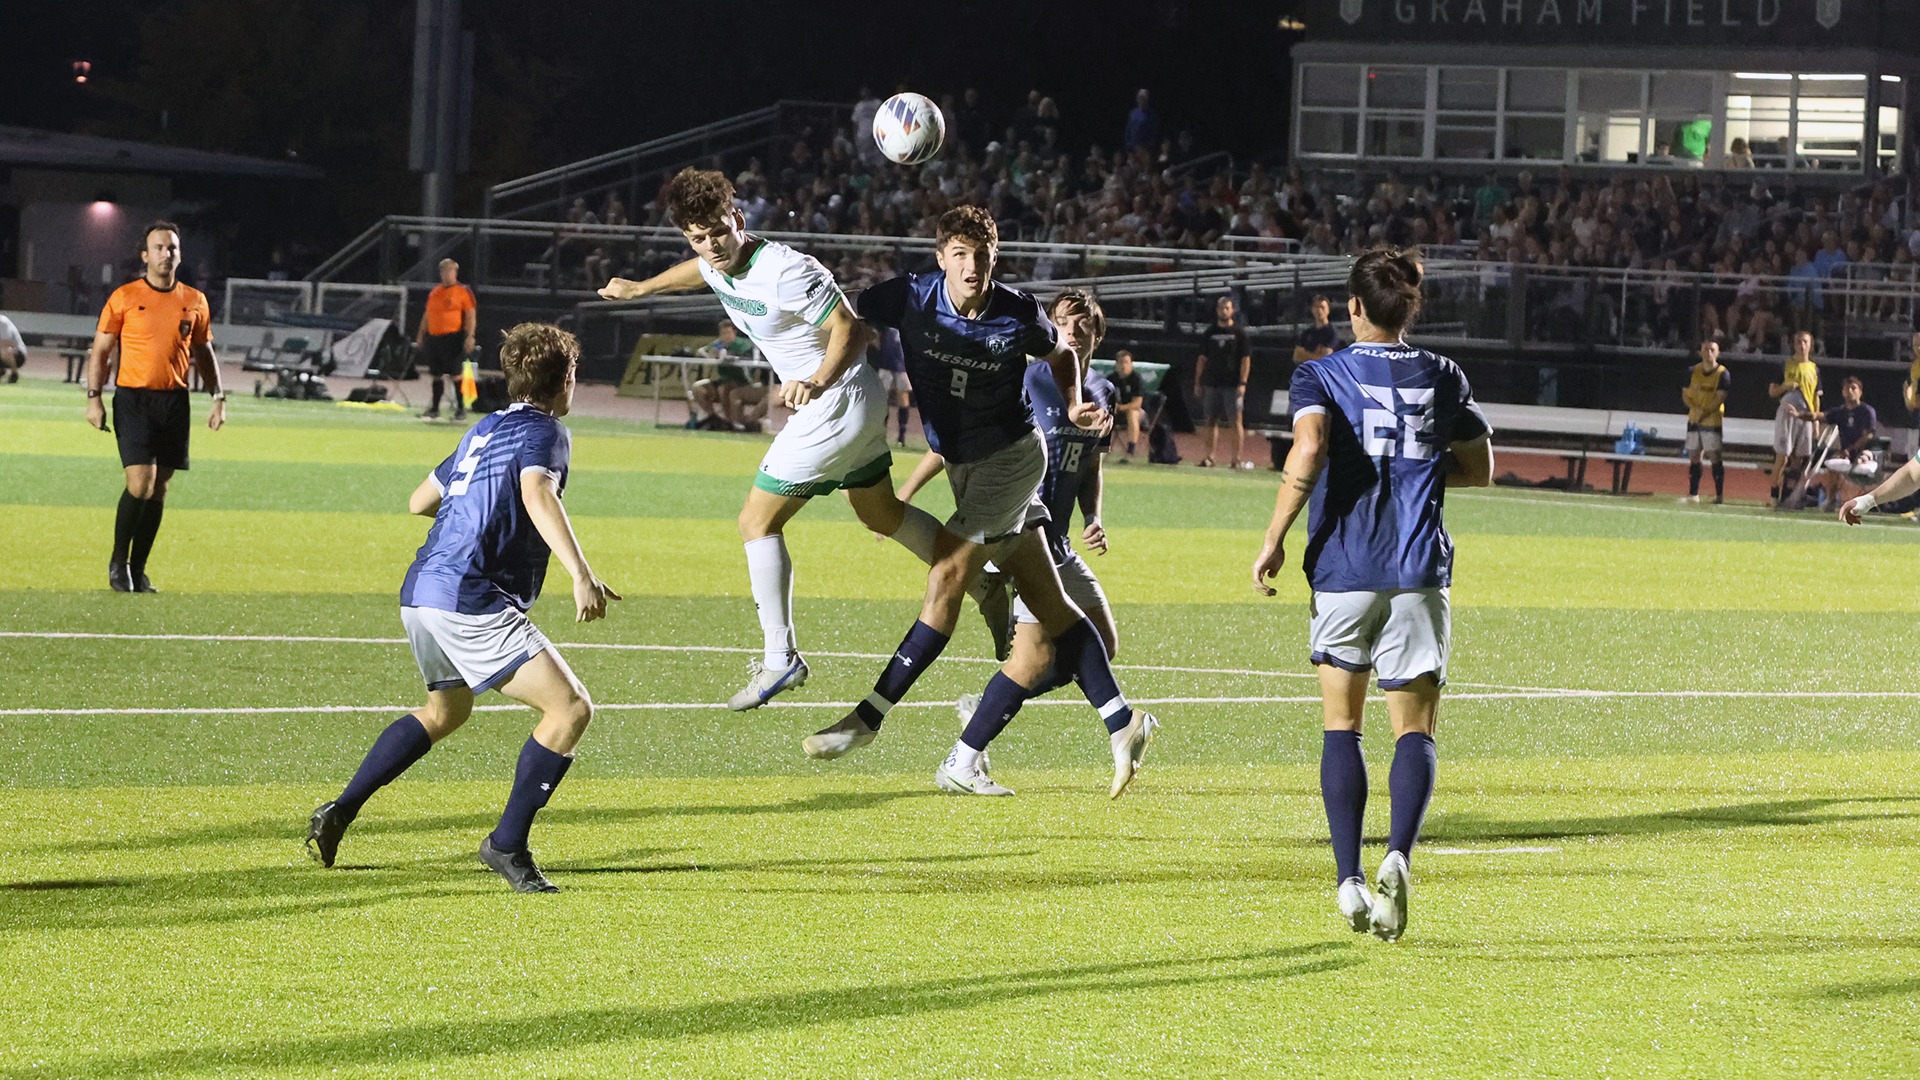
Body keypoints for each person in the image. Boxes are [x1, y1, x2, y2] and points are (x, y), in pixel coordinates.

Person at [599, 169, 1013, 709]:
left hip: (834, 400)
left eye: (718, 232)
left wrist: (816, 380)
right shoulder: (713, 259)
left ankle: (780, 658)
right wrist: (642, 287)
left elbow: (851, 329)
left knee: (756, 521)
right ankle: (982, 582)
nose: (710, 246)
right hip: (845, 404)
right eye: (697, 237)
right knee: (881, 514)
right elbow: (701, 273)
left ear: (738, 221)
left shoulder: (786, 270)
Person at [801, 206, 1157, 797]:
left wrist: (1071, 405)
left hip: (1011, 462)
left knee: (945, 579)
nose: (972, 266)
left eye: (982, 255)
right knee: (1051, 603)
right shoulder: (911, 296)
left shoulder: (1018, 312)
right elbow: (845, 314)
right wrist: (816, 371)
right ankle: (1123, 722)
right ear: (941, 257)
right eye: (960, 255)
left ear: (996, 257)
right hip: (969, 469)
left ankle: (868, 718)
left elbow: (1062, 355)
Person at [306, 323, 618, 894]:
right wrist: (581, 574)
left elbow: (420, 501)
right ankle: (507, 844)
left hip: (422, 589)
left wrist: (472, 521)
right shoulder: (546, 431)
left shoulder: (484, 428)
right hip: (470, 598)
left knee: (445, 712)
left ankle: (339, 811)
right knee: (570, 709)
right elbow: (536, 493)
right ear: (564, 380)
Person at [1251, 246, 1493, 943]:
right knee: (1414, 732)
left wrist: (1273, 536)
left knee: (1342, 726)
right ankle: (1398, 856)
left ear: (1353, 307)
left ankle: (1347, 879)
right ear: (1408, 309)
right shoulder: (1443, 374)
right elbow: (1480, 468)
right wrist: (1415, 459)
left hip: (1344, 568)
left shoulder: (1320, 373)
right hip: (1418, 570)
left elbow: (1309, 448)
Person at [894, 289, 1151, 797]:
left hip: (1060, 544)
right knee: (1034, 659)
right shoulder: (1026, 376)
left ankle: (983, 707)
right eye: (1062, 324)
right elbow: (957, 440)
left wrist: (1093, 516)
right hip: (1019, 534)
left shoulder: (1101, 392)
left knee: (1102, 642)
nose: (1071, 334)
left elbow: (1091, 463)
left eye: (1082, 327)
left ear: (1098, 336)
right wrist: (903, 495)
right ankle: (963, 759)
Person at [82, 220, 226, 594]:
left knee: (160, 488)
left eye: (172, 248)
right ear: (145, 255)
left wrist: (218, 397)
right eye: (159, 247)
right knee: (140, 484)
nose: (166, 253)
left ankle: (138, 569)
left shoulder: (194, 300)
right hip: (133, 399)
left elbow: (203, 351)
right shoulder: (125, 297)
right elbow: (100, 351)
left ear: (179, 255)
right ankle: (118, 562)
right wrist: (93, 398)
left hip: (174, 401)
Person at [1795, 375, 1878, 509]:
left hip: (1866, 453)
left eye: (1853, 388)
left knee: (1862, 456)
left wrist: (1850, 449)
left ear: (1860, 392)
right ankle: (1831, 500)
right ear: (1843, 392)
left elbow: (1869, 435)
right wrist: (1801, 415)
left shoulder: (1867, 411)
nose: (1850, 391)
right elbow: (1821, 416)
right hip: (1847, 455)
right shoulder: (1841, 412)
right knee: (1832, 465)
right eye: (1847, 388)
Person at [1194, 295, 1252, 469]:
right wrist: (1198, 382)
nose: (1224, 311)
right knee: (1210, 420)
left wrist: (1243, 382)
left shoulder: (1240, 333)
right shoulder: (1209, 333)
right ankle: (1209, 457)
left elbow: (1245, 360)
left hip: (1232, 384)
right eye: (1221, 308)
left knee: (1235, 421)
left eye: (1227, 308)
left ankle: (1236, 459)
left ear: (1232, 310)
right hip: (1212, 383)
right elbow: (1202, 359)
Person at [415, 258, 476, 422]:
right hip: (434, 338)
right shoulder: (435, 292)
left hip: (453, 338)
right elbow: (427, 315)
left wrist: (470, 336)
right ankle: (434, 409)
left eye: (451, 271)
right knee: (436, 374)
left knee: (456, 374)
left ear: (455, 272)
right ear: (441, 273)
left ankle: (461, 409)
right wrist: (421, 334)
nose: (447, 274)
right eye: (445, 271)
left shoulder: (463, 291)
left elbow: (470, 315)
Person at [1768, 331, 1821, 504]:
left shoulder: (1814, 369)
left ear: (1810, 345)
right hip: (1787, 414)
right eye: (1798, 341)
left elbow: (1815, 398)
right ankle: (1774, 495)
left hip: (1805, 416)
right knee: (1782, 456)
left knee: (1799, 458)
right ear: (1794, 344)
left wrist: (1815, 422)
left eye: (1805, 342)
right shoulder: (1785, 365)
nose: (1802, 345)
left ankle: (1790, 494)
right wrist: (1785, 386)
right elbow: (1772, 392)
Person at [1681, 339, 1731, 504]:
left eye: (1712, 350)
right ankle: (1693, 494)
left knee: (1714, 455)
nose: (1708, 353)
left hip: (1712, 420)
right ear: (1700, 352)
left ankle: (1719, 495)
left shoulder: (1723, 373)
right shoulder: (1692, 371)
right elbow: (1685, 395)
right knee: (1694, 455)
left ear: (1718, 353)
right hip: (1694, 419)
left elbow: (1720, 398)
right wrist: (1695, 409)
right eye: (1706, 349)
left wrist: (1704, 412)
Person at [870, 323, 912, 446]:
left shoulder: (910, 322)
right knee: (882, 399)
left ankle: (901, 436)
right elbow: (875, 335)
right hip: (886, 364)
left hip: (902, 365)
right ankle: (881, 434)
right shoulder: (886, 322)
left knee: (903, 399)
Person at [1109, 349, 1149, 461]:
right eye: (1120, 362)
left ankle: (1130, 451)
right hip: (1116, 413)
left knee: (1132, 413)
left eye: (1126, 362)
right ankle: (1098, 449)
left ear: (1131, 364)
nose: (1123, 365)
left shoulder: (1136, 379)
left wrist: (1121, 407)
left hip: (1139, 415)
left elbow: (1137, 403)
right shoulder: (1111, 378)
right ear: (1116, 364)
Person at [1292, 295, 1339, 364]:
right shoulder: (1307, 333)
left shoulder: (1331, 332)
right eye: (1316, 307)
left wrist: (1304, 355)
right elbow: (1296, 357)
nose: (1319, 310)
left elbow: (1324, 359)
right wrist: (1316, 355)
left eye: (1322, 307)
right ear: (1312, 309)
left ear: (1328, 310)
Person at [0, 312, 26, 383]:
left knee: (4, 350)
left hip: (18, 354)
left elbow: (7, 343)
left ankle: (14, 374)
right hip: (4, 353)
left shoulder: (2, 322)